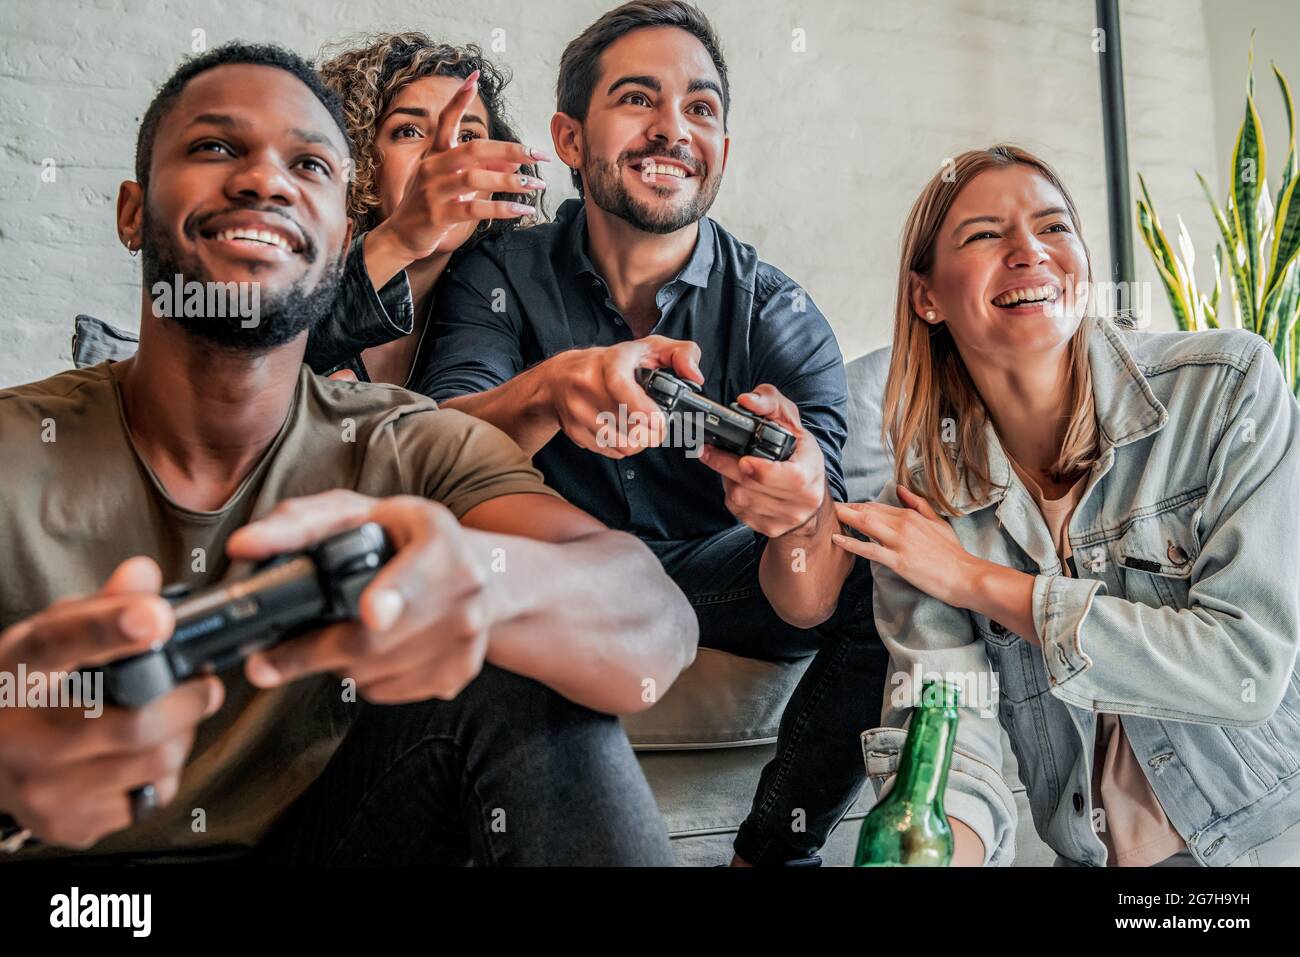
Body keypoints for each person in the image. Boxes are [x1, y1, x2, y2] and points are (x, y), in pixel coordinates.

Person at [0, 42, 696, 866]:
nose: (265, 179)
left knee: (522, 662)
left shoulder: (409, 441)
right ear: (130, 210)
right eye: (216, 147)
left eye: (309, 164)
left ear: (340, 236)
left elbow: (656, 617)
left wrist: (483, 587)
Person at [413, 0, 889, 866]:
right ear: (568, 137)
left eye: (700, 109)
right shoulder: (499, 272)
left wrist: (796, 516)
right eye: (639, 99)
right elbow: (431, 454)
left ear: (722, 153)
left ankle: (770, 855)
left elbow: (809, 597)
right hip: (563, 567)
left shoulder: (778, 313)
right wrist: (557, 389)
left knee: (888, 576)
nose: (674, 129)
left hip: (720, 573)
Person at [793, 144, 1300, 866]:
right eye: (985, 234)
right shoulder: (924, 510)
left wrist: (975, 581)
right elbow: (945, 740)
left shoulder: (1225, 390)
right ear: (927, 296)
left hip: (1269, 842)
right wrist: (928, 848)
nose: (1030, 250)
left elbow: (1241, 664)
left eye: (1055, 227)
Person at [72, 32, 545, 386]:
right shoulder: (271, 259)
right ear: (356, 159)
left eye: (469, 137)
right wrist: (400, 238)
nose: (446, 157)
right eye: (408, 132)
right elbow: (250, 342)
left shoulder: (504, 300)